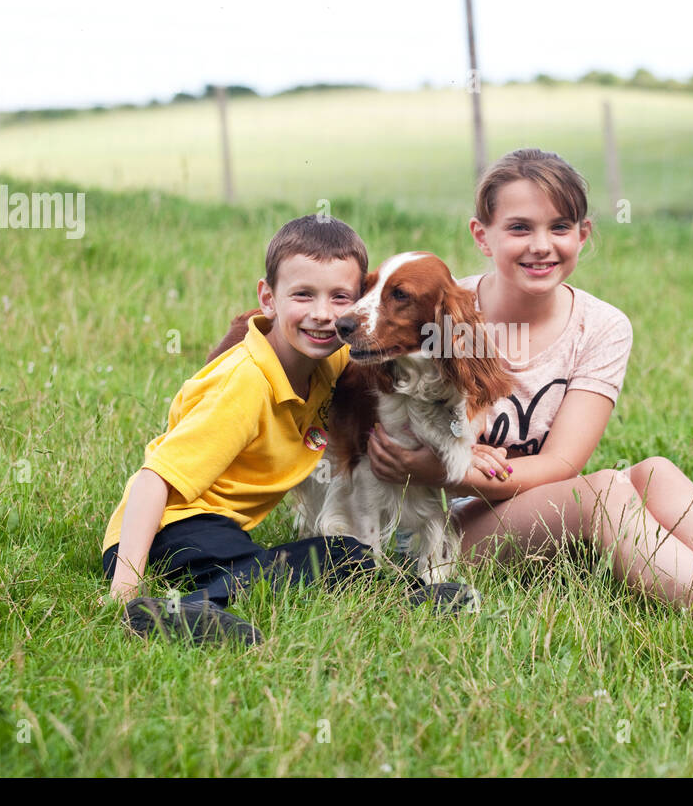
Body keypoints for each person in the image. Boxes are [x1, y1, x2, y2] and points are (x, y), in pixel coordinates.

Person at [366, 149, 693, 625]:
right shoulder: (435, 307)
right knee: (601, 493)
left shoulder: (601, 326)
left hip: (527, 506)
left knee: (653, 474)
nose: (541, 246)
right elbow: (395, 431)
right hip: (439, 530)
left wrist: (457, 463)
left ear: (584, 234)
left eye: (560, 227)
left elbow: (560, 464)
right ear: (483, 235)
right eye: (520, 228)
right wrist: (439, 468)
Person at [100, 215, 463, 646]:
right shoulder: (245, 382)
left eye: (341, 297)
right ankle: (170, 611)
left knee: (343, 555)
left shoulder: (327, 363)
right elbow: (153, 479)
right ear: (268, 299)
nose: (323, 315)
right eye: (304, 295)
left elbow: (414, 379)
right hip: (171, 528)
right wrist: (125, 584)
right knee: (257, 568)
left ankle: (411, 597)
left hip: (226, 531)